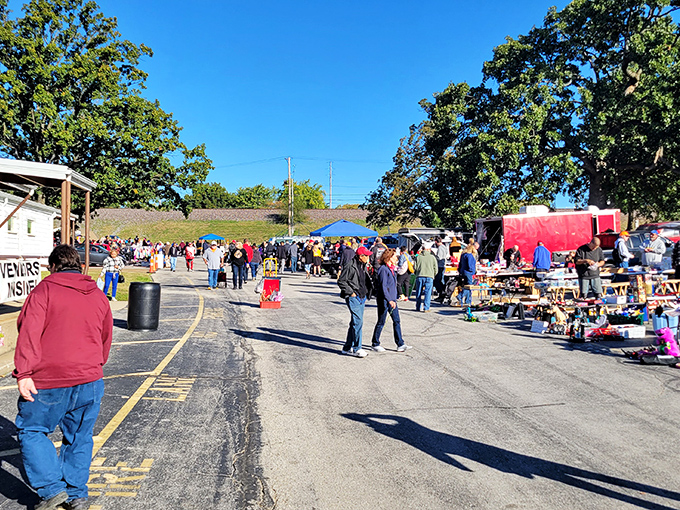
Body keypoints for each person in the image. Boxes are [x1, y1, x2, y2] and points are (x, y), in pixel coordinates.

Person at [14, 245, 112, 510]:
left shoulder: (44, 291)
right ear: (80, 266)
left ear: (53, 266)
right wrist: (96, 364)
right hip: (90, 378)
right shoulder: (98, 295)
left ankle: (52, 489)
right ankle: (76, 493)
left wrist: (23, 372)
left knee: (33, 430)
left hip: (50, 378)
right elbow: (105, 336)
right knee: (80, 436)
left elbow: (28, 333)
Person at [370, 249, 412, 353]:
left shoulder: (392, 269)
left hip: (392, 299)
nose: (396, 258)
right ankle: (375, 343)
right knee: (381, 321)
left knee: (396, 321)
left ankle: (400, 343)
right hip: (384, 299)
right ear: (389, 257)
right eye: (394, 256)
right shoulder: (383, 269)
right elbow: (383, 287)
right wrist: (389, 300)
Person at [337, 246, 373, 358]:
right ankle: (357, 348)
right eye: (366, 255)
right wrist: (351, 292)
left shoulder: (363, 266)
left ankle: (347, 347)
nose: (368, 257)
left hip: (362, 296)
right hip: (354, 297)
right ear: (360, 256)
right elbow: (341, 281)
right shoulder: (350, 266)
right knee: (358, 322)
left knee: (355, 322)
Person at [413, 242, 438, 312]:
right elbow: (436, 268)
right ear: (428, 249)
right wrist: (433, 274)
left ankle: (418, 307)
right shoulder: (432, 257)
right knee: (428, 292)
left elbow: (415, 267)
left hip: (420, 276)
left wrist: (417, 273)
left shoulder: (418, 257)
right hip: (429, 276)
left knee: (418, 292)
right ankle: (426, 307)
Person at [433, 237, 448, 303]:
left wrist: (433, 255)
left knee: (437, 281)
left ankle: (442, 292)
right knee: (439, 280)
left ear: (436, 242)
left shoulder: (440, 248)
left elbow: (439, 257)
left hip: (439, 265)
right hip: (442, 265)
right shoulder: (444, 247)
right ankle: (441, 294)